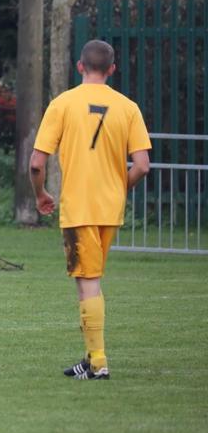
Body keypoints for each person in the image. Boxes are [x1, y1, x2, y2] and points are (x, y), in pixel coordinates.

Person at [30, 39, 151, 380]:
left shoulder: (63, 103)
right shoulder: (128, 107)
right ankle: (90, 358)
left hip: (79, 206)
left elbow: (37, 163)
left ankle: (98, 361)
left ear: (79, 66)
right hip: (110, 208)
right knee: (91, 279)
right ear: (111, 69)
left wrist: (40, 195)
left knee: (88, 282)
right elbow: (142, 165)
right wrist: (119, 186)